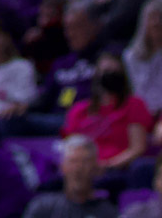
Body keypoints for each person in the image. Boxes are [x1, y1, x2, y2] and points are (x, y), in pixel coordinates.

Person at [63, 55, 152, 184]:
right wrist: (85, 166)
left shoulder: (134, 104)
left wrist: (109, 165)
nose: (109, 77)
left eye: (113, 72)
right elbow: (70, 146)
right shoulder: (78, 109)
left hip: (119, 170)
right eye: (104, 72)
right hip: (82, 170)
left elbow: (137, 148)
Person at [24, 137, 116, 218]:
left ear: (96, 169)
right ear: (62, 167)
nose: (78, 168)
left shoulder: (107, 212)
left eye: (85, 162)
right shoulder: (42, 207)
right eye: (73, 161)